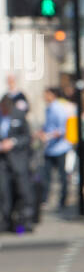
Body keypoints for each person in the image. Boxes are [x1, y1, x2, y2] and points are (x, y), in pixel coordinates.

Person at [0, 91, 34, 232]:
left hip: (18, 160)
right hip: (3, 161)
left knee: (23, 191)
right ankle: (5, 221)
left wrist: (13, 142)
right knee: (4, 191)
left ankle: (24, 222)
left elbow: (27, 137)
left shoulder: (19, 115)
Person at [39, 86, 72, 212]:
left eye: (46, 94)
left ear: (52, 95)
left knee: (62, 176)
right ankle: (45, 199)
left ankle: (63, 199)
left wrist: (48, 136)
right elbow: (48, 126)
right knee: (46, 175)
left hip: (60, 148)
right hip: (49, 148)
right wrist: (41, 132)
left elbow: (62, 129)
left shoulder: (58, 109)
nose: (44, 97)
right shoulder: (48, 108)